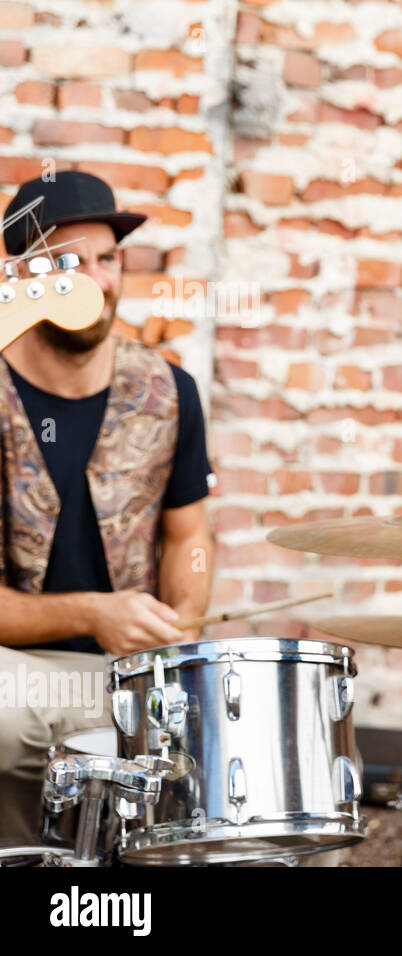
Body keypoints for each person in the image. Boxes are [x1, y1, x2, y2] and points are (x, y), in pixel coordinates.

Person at [0, 170, 215, 846]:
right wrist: (94, 611)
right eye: (67, 263)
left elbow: (190, 538)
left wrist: (183, 619)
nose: (94, 281)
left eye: (106, 259)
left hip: (130, 672)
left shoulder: (169, 390)